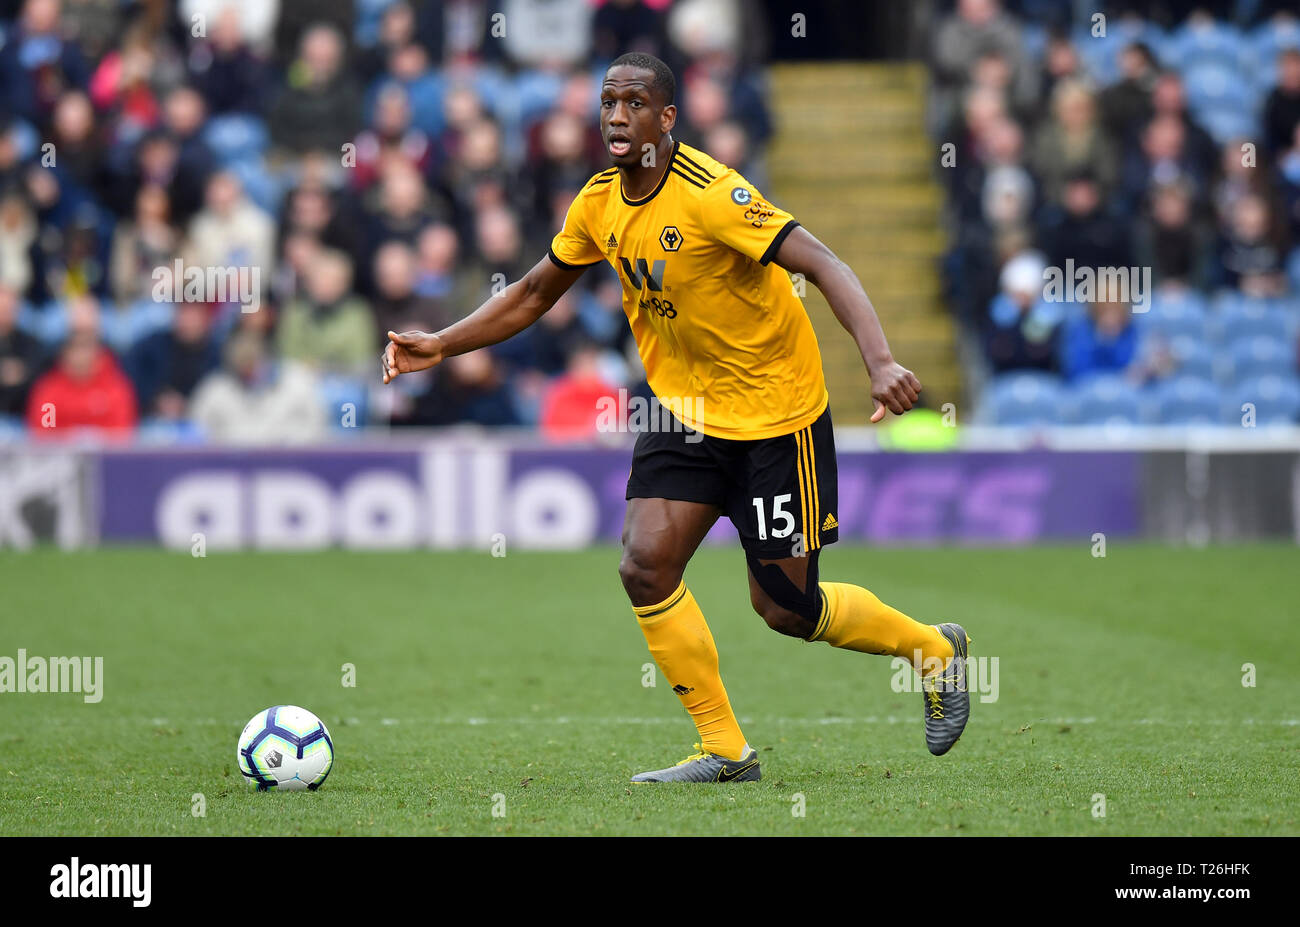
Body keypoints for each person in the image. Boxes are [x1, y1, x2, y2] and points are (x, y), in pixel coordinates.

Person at [380, 53, 971, 783]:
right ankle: (724, 748)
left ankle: (933, 651)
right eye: (607, 101)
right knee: (644, 563)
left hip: (775, 415)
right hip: (684, 408)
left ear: (667, 117)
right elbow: (534, 292)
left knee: (785, 606)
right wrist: (441, 341)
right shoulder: (596, 201)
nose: (616, 115)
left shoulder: (713, 193)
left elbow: (823, 263)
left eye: (634, 102)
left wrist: (879, 361)